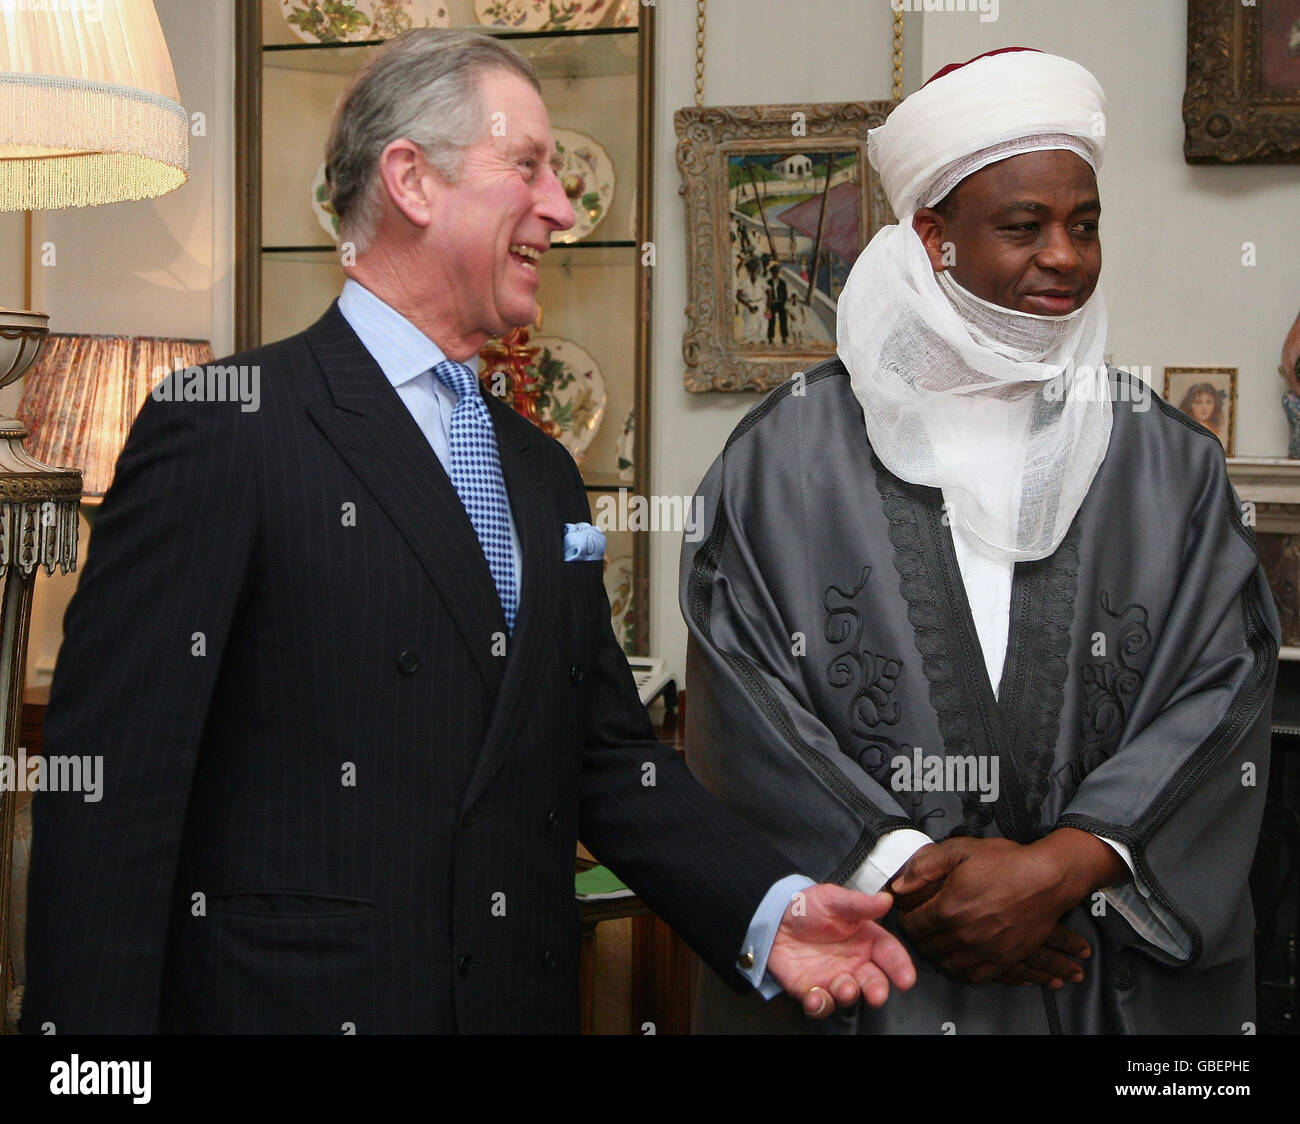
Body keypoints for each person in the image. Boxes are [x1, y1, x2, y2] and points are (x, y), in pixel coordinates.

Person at [20, 29, 915, 1035]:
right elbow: (112, 810)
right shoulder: (225, 428)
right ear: (411, 179)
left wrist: (765, 908)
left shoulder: (540, 473)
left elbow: (605, 758)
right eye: (526, 167)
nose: (561, 208)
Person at [681, 47, 1278, 1034]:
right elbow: (744, 707)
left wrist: (1058, 865)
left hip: (1096, 963)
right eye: (1023, 225)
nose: (1065, 255)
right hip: (879, 960)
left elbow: (1227, 681)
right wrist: (916, 879)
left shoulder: (1168, 463)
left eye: (1084, 225)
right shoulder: (782, 461)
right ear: (932, 237)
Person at [1176, 382, 1227, 448]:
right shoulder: (1183, 432)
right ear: (1190, 405)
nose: (1204, 408)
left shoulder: (1219, 433)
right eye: (1198, 402)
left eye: (1208, 402)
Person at [766, 262, 790, 345]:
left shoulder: (782, 283)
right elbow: (766, 295)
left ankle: (784, 337)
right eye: (774, 273)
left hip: (780, 304)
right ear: (772, 273)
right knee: (770, 320)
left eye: (776, 273)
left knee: (783, 318)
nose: (775, 274)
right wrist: (770, 303)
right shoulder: (768, 282)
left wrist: (781, 302)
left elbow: (785, 295)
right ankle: (770, 337)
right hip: (771, 304)